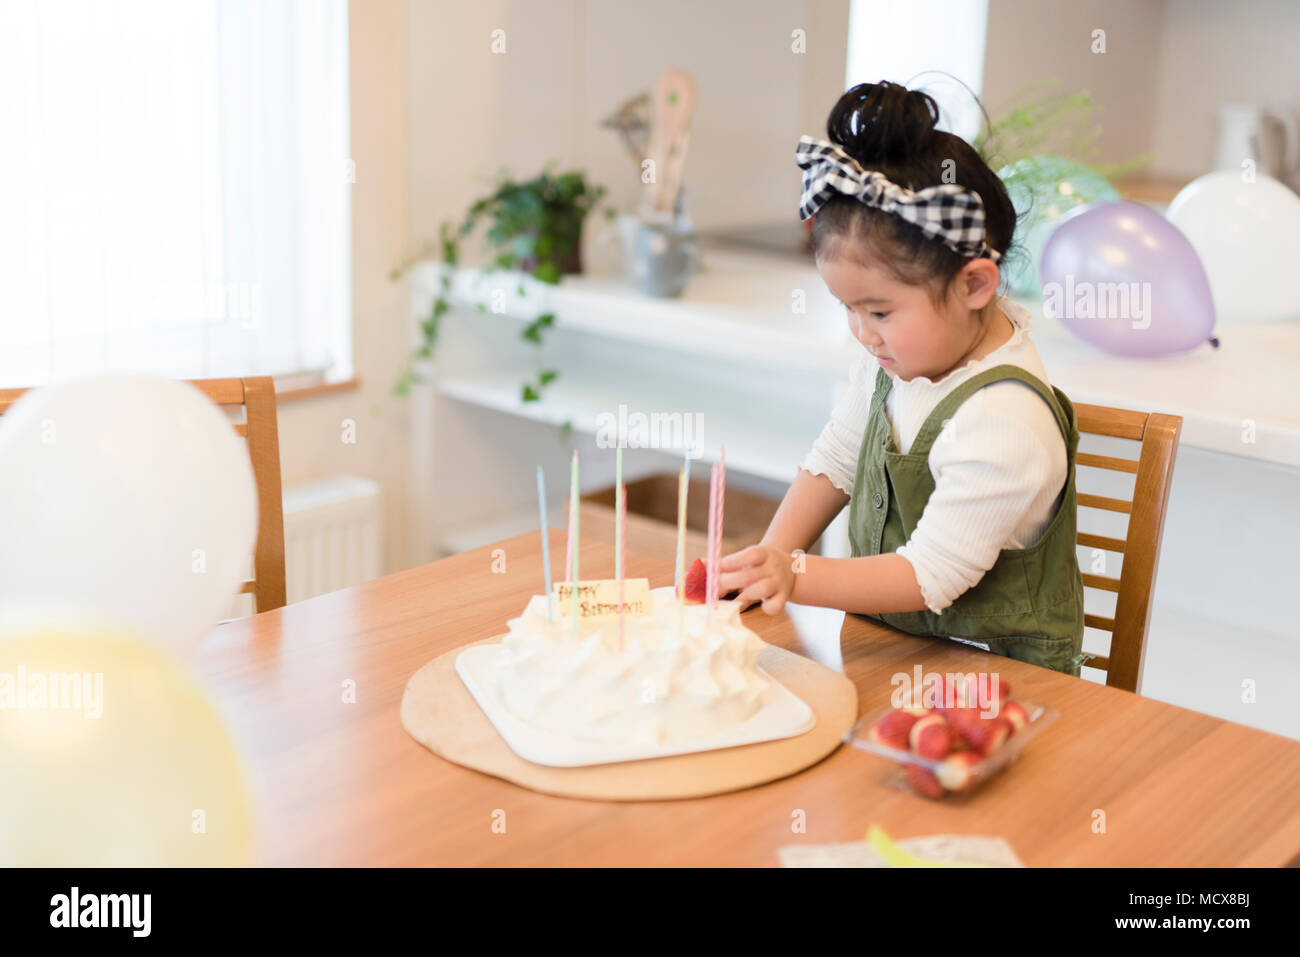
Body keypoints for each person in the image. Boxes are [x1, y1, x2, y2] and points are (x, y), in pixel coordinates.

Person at [718, 80, 1086, 675]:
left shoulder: (1005, 421)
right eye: (848, 308)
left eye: (880, 311)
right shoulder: (897, 358)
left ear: (974, 285)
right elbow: (840, 455)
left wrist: (797, 574)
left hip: (994, 681)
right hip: (886, 653)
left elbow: (930, 575)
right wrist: (771, 555)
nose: (863, 333)